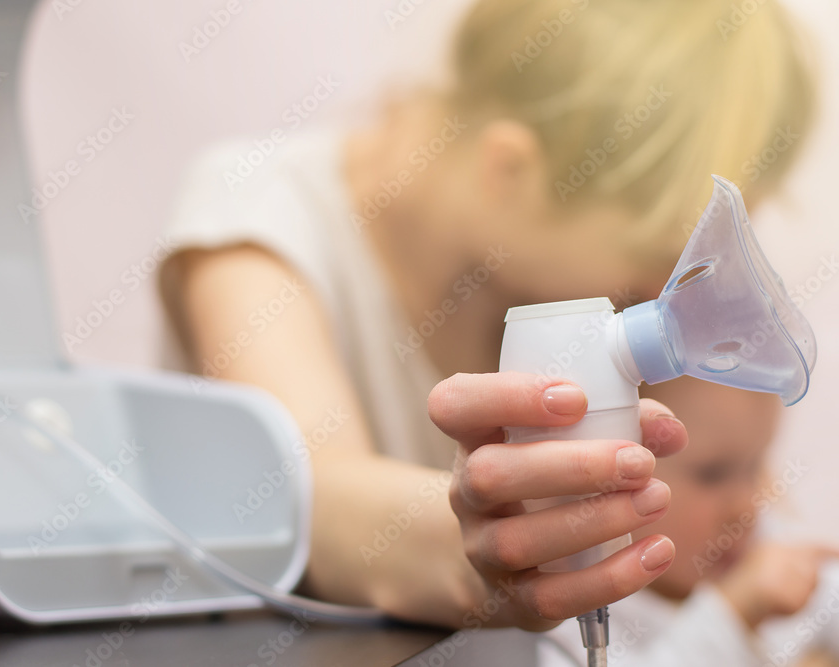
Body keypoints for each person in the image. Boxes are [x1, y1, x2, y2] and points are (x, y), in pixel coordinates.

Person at [157, 0, 816, 630]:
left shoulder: (542, 269)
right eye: (645, 262)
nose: (655, 296)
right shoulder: (256, 230)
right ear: (509, 170)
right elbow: (315, 496)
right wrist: (495, 548)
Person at [540, 377, 839, 666]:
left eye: (754, 466)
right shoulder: (572, 614)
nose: (746, 506)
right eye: (712, 474)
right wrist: (734, 612)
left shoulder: (759, 539)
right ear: (598, 485)